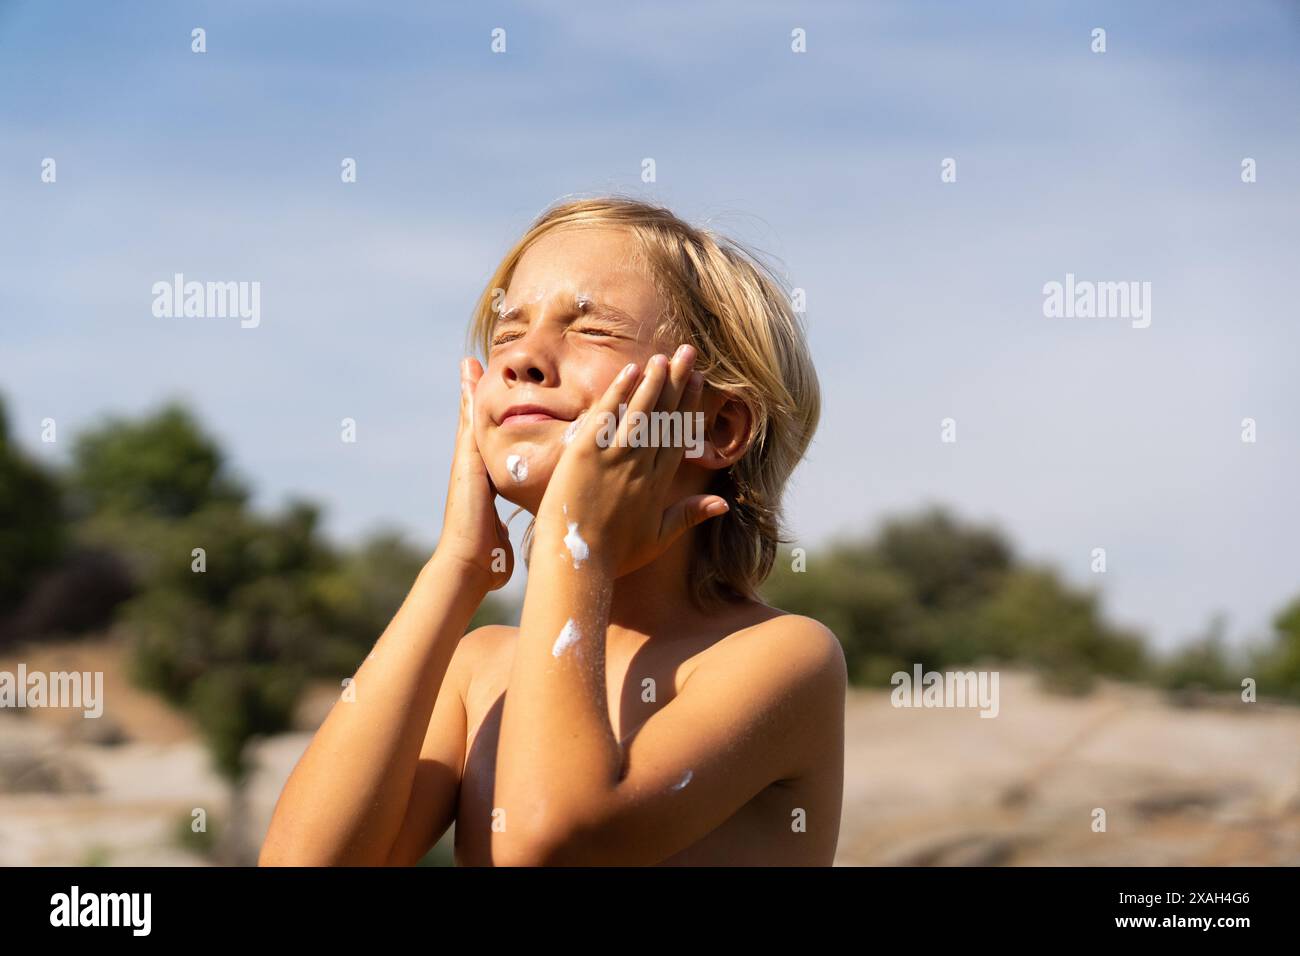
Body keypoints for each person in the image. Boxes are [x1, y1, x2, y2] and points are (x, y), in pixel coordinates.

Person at [259, 196, 845, 866]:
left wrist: (579, 544)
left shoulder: (780, 658)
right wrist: (457, 566)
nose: (523, 359)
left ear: (715, 428)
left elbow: (555, 840)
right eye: (507, 335)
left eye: (593, 331)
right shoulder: (480, 671)